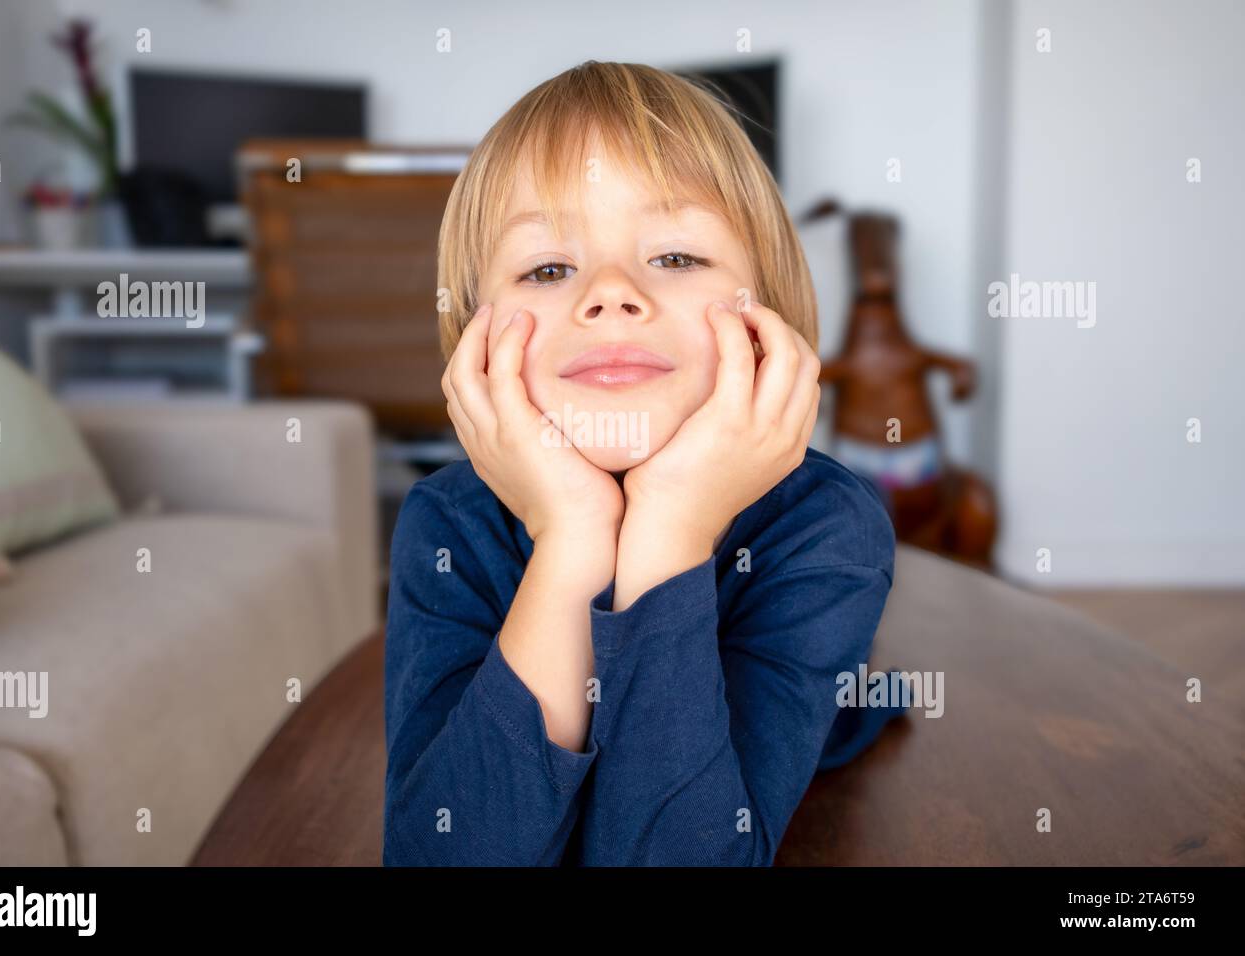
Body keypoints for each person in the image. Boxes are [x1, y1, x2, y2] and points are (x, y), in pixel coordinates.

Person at [383, 60, 907, 866]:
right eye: (549, 269)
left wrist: (670, 528)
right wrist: (573, 535)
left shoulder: (828, 526)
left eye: (675, 257)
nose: (612, 294)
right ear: (476, 341)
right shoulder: (445, 524)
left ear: (763, 314)